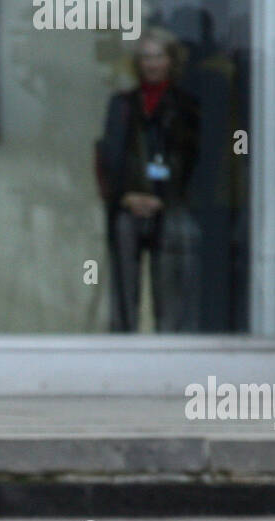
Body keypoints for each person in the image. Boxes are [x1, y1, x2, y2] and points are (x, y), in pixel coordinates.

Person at [97, 28, 201, 333]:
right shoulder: (122, 104)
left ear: (170, 60)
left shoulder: (186, 106)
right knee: (123, 290)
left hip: (170, 207)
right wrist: (126, 196)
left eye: (157, 56)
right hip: (126, 205)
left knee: (169, 291)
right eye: (145, 57)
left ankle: (169, 354)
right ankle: (123, 351)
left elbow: (192, 160)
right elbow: (110, 156)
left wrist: (164, 198)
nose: (151, 64)